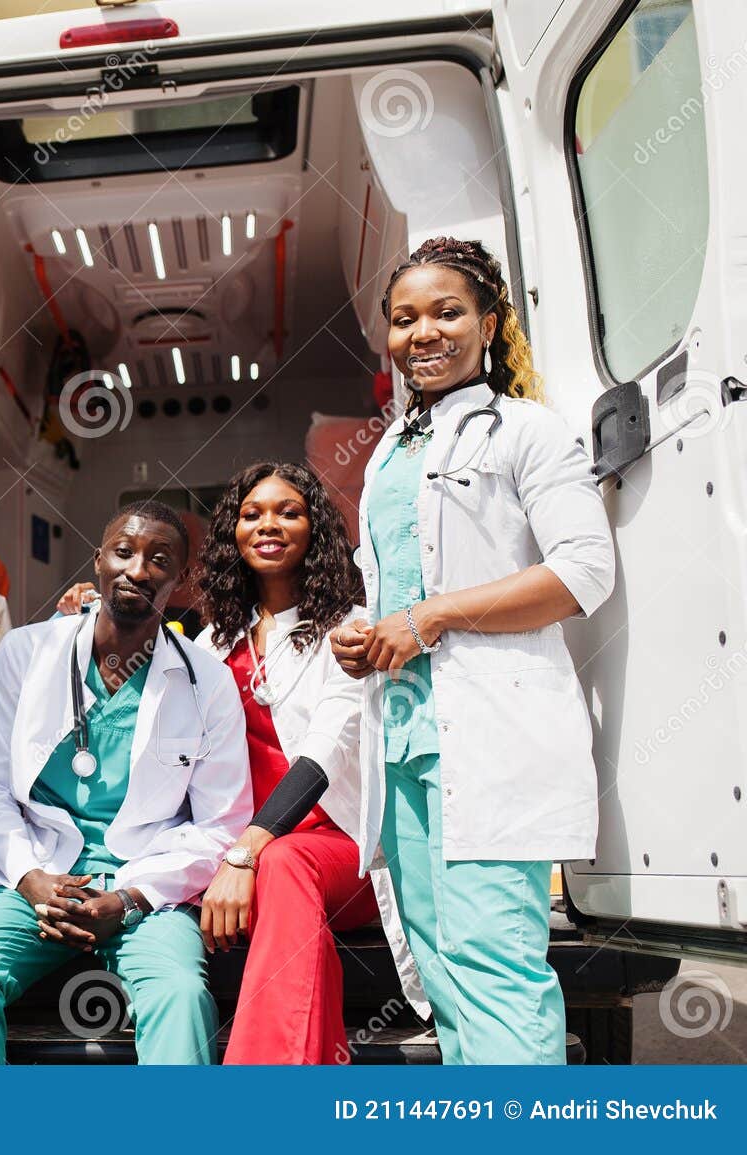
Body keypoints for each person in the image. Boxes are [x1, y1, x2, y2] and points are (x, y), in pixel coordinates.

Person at [330, 236, 615, 1064]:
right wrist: (367, 631)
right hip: (410, 744)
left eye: (448, 312)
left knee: (494, 965)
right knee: (445, 975)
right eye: (404, 318)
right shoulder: (391, 451)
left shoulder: (528, 429)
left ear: (489, 322)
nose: (425, 332)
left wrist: (432, 617)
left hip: (492, 738)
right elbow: (397, 581)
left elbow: (582, 573)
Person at [57, 464, 425, 1065]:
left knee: (285, 863)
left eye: (288, 511)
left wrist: (246, 853)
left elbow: (325, 753)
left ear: (317, 531)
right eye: (252, 514)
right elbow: (130, 691)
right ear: (234, 535)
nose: (268, 525)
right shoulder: (210, 644)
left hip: (334, 850)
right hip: (239, 857)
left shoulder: (350, 629)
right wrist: (89, 612)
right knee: (268, 876)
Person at [0, 501, 251, 1065]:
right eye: (123, 552)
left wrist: (127, 899)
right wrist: (32, 880)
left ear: (181, 580)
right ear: (98, 562)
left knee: (179, 994)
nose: (138, 570)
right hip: (37, 875)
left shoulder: (208, 680)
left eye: (159, 559)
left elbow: (220, 823)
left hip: (145, 888)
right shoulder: (26, 654)